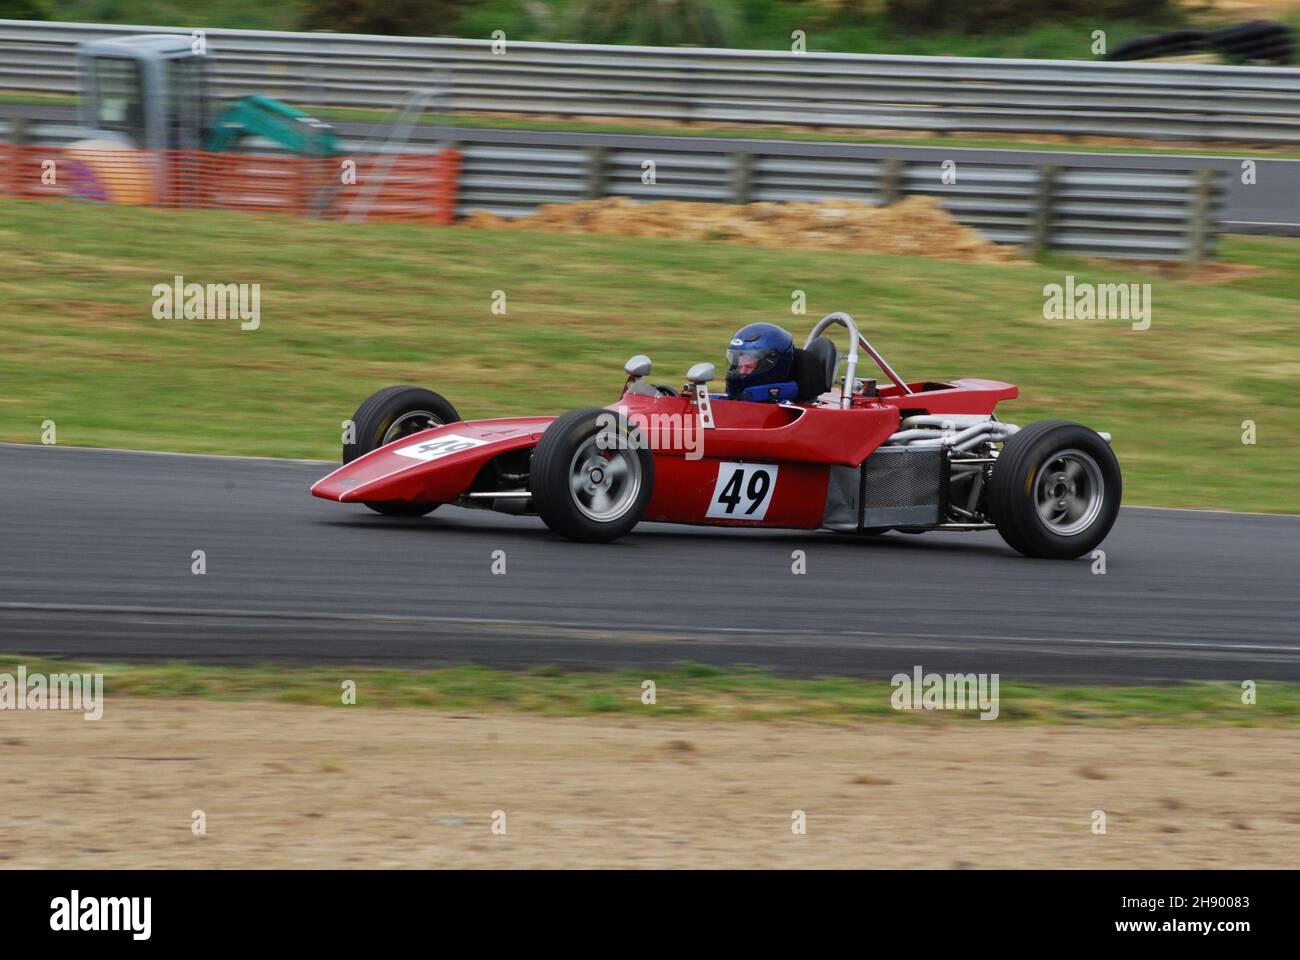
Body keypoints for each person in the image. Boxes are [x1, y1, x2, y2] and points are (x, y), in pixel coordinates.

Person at [724, 322, 798, 402]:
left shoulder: (787, 407)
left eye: (749, 366)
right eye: (739, 366)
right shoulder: (734, 398)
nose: (741, 371)